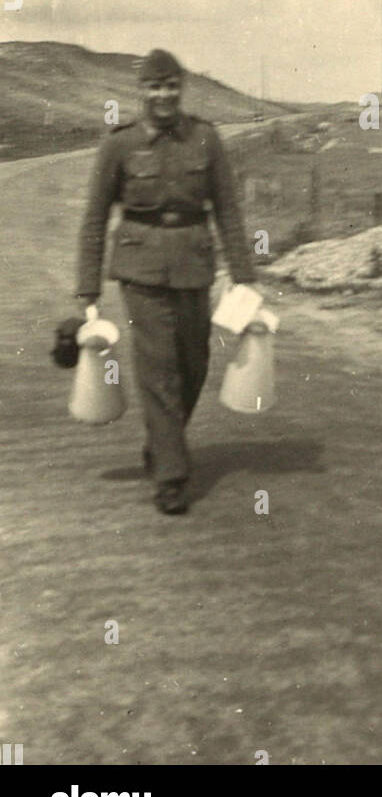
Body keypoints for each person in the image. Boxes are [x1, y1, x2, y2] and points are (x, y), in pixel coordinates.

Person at [75, 48, 258, 514]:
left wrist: (244, 278)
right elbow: (95, 219)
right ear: (141, 92)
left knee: (193, 364)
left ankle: (162, 443)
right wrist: (88, 292)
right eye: (154, 87)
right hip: (140, 270)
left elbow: (229, 212)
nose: (163, 95)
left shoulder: (205, 139)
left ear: (181, 88)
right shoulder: (119, 144)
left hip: (195, 264)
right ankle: (172, 476)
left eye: (171, 85)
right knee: (159, 367)